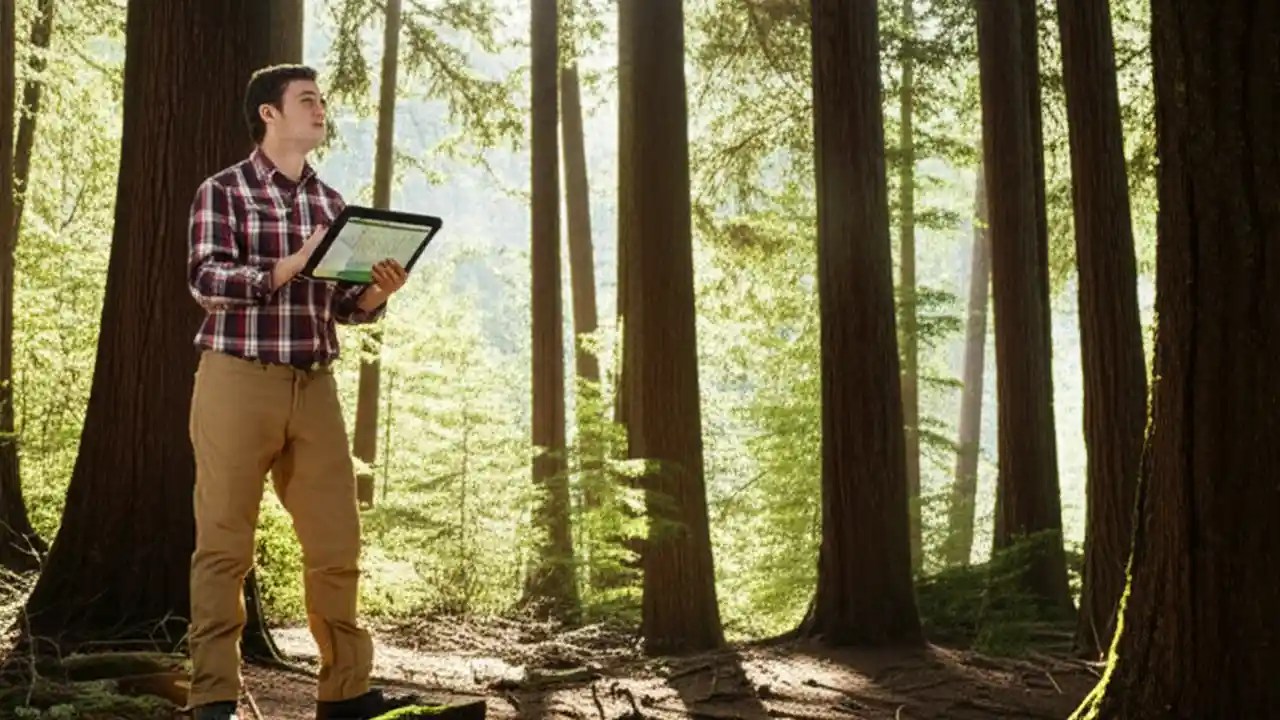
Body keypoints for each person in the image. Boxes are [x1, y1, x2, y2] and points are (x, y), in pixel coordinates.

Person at [183, 64, 483, 720]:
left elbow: (348, 305)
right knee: (224, 544)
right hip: (237, 378)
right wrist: (291, 263)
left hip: (314, 385)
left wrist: (379, 288)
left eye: (322, 100)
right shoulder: (224, 192)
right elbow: (207, 280)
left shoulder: (331, 202)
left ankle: (344, 694)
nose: (321, 109)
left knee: (336, 544)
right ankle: (213, 699)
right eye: (307, 99)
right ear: (270, 113)